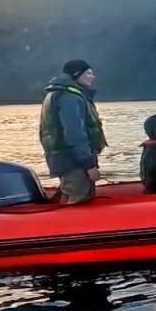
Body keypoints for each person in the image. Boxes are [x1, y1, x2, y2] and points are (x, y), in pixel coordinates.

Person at [39, 59, 107, 204]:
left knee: (79, 197)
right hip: (73, 161)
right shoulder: (70, 98)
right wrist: (89, 164)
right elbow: (75, 134)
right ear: (77, 75)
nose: (93, 76)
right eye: (88, 73)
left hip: (66, 159)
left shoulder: (60, 94)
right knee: (80, 200)